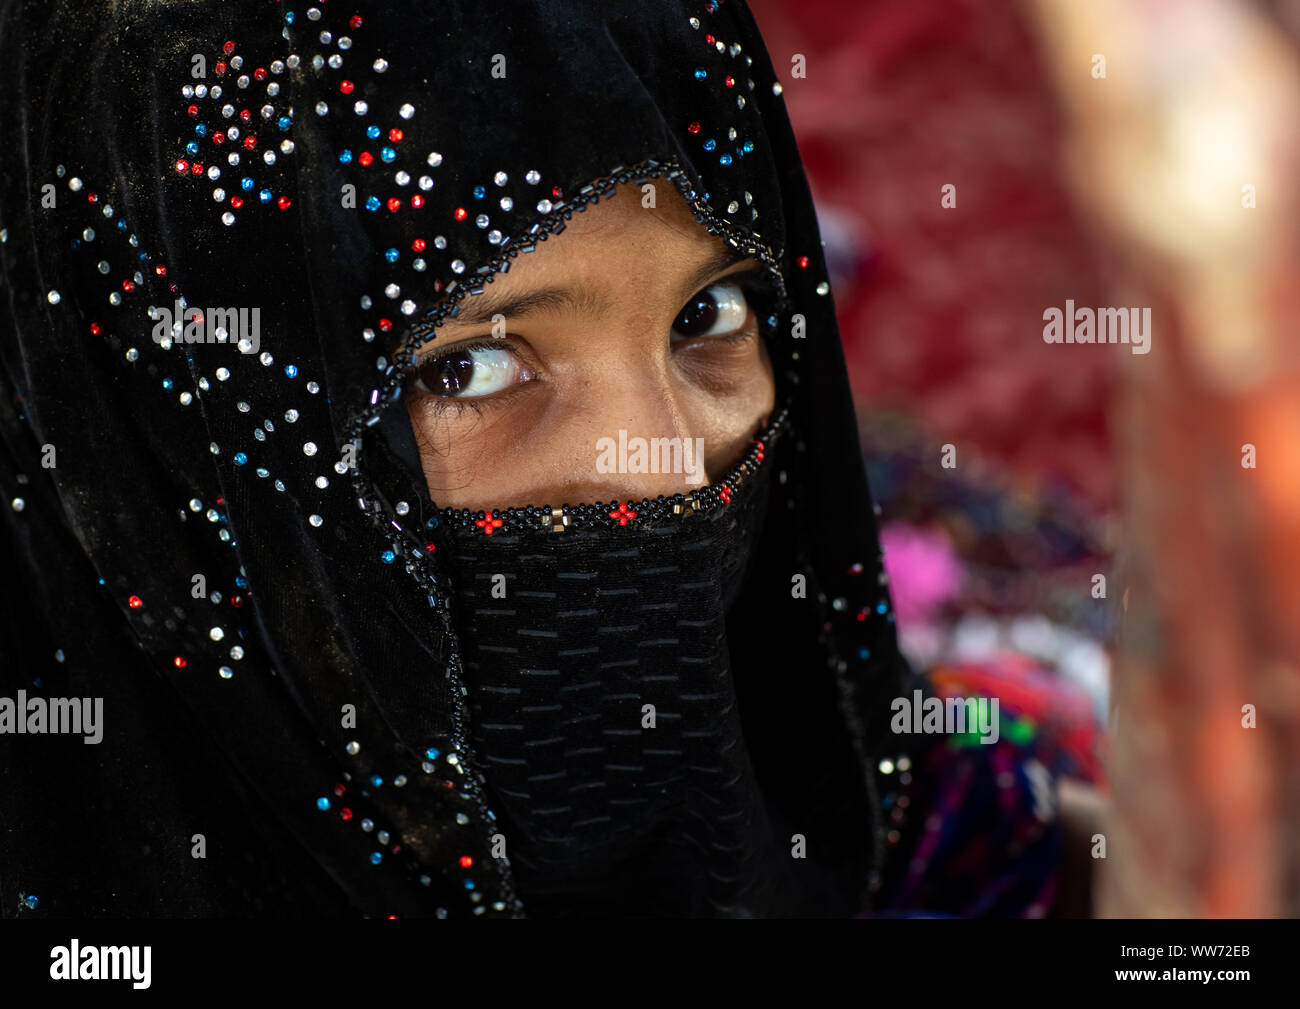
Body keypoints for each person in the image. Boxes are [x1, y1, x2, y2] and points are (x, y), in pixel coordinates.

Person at [0, 0, 1078, 918]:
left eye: (709, 311)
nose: (668, 467)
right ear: (165, 441)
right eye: (465, 370)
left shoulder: (850, 776)